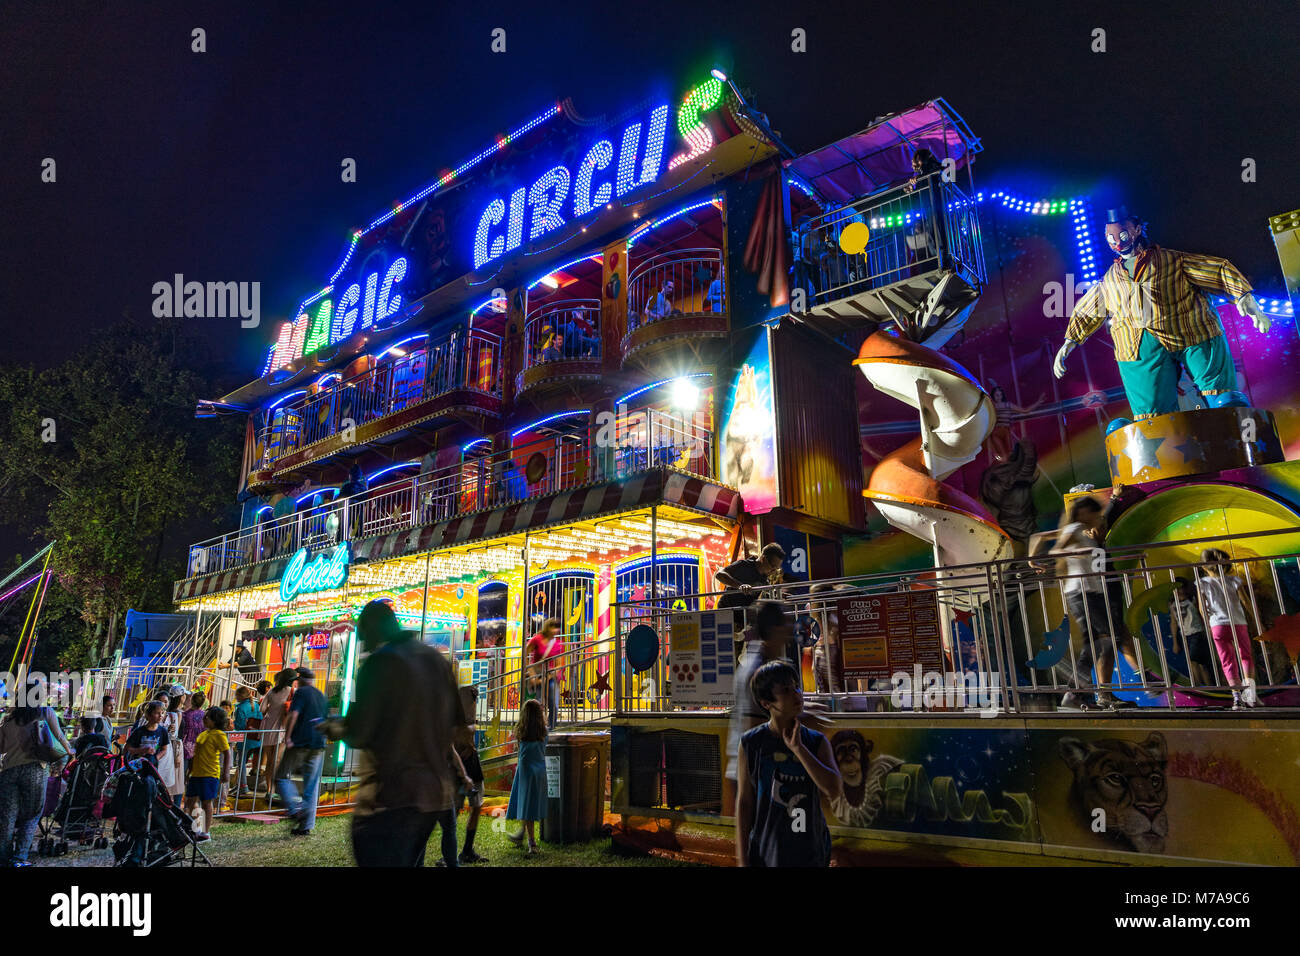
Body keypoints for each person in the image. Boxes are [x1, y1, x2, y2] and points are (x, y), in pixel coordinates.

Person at [1053, 207, 1271, 430]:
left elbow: (1217, 269)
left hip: (1190, 331)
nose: (1117, 242)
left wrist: (1245, 298)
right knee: (1153, 416)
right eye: (1111, 238)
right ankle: (1158, 440)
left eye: (1123, 235)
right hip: (1139, 347)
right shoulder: (1109, 281)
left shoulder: (1172, 260)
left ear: (1137, 230)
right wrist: (1069, 342)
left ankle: (1232, 423)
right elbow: (1087, 310)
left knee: (1220, 394)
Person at [322, 600, 467, 867]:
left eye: (363, 633)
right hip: (433, 795)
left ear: (374, 629)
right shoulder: (435, 660)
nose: (362, 641)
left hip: (389, 797)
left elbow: (360, 732)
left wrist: (335, 727)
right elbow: (459, 727)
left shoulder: (380, 663)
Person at [735, 659, 841, 867]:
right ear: (766, 703)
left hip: (810, 849)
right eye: (785, 690)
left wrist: (799, 750)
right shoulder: (751, 743)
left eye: (796, 687)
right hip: (767, 850)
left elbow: (834, 788)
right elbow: (745, 803)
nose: (796, 694)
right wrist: (742, 859)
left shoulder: (815, 741)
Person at [1051, 497, 1141, 710]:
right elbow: (1055, 551)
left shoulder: (1086, 534)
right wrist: (1075, 552)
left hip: (1091, 592)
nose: (1098, 517)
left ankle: (1087, 695)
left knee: (1096, 645)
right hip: (1082, 593)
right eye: (1094, 512)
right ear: (1083, 512)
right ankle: (1085, 694)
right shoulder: (1073, 528)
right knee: (1110, 637)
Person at [724, 601, 792, 814]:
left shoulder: (762, 663)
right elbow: (754, 725)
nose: (789, 635)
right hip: (754, 771)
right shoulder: (759, 671)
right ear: (774, 631)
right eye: (785, 629)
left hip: (753, 769)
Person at [0, 683, 72, 867]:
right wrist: (70, 753)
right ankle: (19, 858)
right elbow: (60, 737)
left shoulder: (8, 719)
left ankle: (3, 857)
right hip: (35, 770)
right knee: (32, 814)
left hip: (9, 771)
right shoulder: (45, 713)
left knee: (7, 816)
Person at [1197, 549, 1258, 709]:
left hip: (1218, 625)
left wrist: (1209, 626)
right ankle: (1250, 695)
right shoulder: (1234, 580)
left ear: (1204, 567)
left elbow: (1203, 609)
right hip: (1238, 623)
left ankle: (1237, 698)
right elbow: (1246, 602)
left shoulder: (1202, 583)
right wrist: (1257, 621)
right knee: (1246, 656)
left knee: (1227, 662)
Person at [277, 668, 327, 836]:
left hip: (300, 741)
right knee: (311, 785)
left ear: (301, 680)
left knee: (281, 776)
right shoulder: (321, 695)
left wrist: (288, 736)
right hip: (318, 743)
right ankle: (306, 825)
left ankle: (295, 809)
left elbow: (294, 714)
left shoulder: (301, 693)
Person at [505, 699, 548, 856]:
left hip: (525, 772)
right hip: (540, 772)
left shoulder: (520, 731)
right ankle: (521, 834)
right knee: (529, 805)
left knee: (526, 806)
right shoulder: (544, 732)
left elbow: (520, 751)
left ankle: (531, 842)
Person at [184, 706, 231, 842]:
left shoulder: (219, 735)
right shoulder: (203, 734)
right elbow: (195, 755)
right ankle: (197, 827)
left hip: (209, 774)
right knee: (191, 801)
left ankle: (205, 832)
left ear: (215, 720)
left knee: (206, 803)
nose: (204, 718)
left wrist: (226, 772)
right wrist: (189, 772)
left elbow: (227, 753)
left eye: (207, 717)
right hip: (196, 774)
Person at [1169, 576, 1215, 691]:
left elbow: (1200, 614)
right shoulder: (1172, 603)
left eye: (1182, 588)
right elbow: (1174, 622)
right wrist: (1175, 641)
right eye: (1178, 588)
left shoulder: (1192, 598)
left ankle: (1201, 686)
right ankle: (1206, 687)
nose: (1181, 591)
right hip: (1185, 635)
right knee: (1199, 663)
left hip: (1197, 632)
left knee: (1194, 660)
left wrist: (1207, 629)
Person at [451, 724, 487, 864]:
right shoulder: (456, 710)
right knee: (454, 810)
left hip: (471, 764)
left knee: (476, 807)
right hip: (458, 765)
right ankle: (449, 853)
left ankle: (467, 850)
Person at [715, 542, 785, 610]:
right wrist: (740, 586)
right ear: (763, 559)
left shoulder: (764, 576)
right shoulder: (744, 565)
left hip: (743, 613)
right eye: (773, 566)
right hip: (727, 610)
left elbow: (765, 592)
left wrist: (780, 596)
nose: (774, 570)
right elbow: (719, 575)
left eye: (777, 568)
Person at [258, 669, 296, 794]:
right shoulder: (292, 692)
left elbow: (262, 709)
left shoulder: (271, 691)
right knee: (277, 760)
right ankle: (275, 789)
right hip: (282, 728)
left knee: (269, 761)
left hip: (268, 728)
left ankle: (269, 789)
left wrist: (271, 710)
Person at [525, 617, 565, 730]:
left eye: (557, 627)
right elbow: (525, 653)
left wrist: (550, 676)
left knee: (553, 703)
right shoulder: (537, 639)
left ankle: (551, 727)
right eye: (553, 627)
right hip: (537, 674)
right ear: (548, 627)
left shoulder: (558, 644)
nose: (556, 630)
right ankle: (536, 727)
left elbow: (559, 663)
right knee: (537, 703)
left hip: (550, 676)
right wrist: (531, 673)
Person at [231, 685, 263, 796]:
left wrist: (232, 723)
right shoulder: (256, 705)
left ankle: (243, 786)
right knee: (242, 762)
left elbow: (240, 725)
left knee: (241, 763)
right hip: (255, 738)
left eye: (237, 695)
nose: (235, 697)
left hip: (244, 738)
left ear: (241, 696)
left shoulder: (240, 708)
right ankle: (239, 785)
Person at [125, 700, 171, 769]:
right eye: (157, 713)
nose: (160, 715)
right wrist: (142, 750)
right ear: (148, 715)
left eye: (162, 713)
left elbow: (164, 749)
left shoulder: (163, 731)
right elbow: (127, 748)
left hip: (152, 766)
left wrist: (156, 758)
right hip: (137, 765)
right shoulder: (139, 731)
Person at [180, 690, 207, 777]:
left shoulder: (184, 715)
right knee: (194, 773)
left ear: (191, 701)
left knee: (182, 772)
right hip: (199, 746)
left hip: (186, 746)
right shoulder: (205, 716)